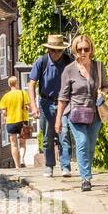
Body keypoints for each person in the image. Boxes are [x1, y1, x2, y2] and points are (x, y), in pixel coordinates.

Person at [55, 33, 108, 192]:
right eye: (79, 50)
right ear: (74, 51)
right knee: (82, 142)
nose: (83, 52)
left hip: (95, 112)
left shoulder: (99, 67)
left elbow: (105, 85)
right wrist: (58, 119)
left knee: (91, 147)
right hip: (75, 113)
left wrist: (103, 94)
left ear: (91, 49)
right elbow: (63, 97)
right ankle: (86, 178)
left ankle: (86, 169)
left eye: (86, 49)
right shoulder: (69, 70)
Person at [29, 34, 73, 178]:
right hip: (46, 103)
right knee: (47, 137)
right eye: (52, 50)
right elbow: (32, 84)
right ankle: (49, 166)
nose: (55, 53)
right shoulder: (41, 62)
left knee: (64, 133)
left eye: (58, 50)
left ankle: (65, 166)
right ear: (48, 50)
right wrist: (33, 106)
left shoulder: (68, 61)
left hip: (64, 103)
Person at [0, 75, 30, 170]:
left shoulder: (5, 96)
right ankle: (22, 159)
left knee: (13, 144)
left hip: (11, 122)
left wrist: (5, 118)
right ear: (17, 83)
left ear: (9, 84)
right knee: (22, 143)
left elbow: (4, 112)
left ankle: (17, 165)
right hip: (23, 121)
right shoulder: (23, 93)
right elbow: (27, 107)